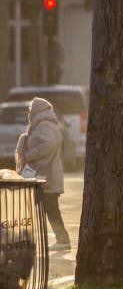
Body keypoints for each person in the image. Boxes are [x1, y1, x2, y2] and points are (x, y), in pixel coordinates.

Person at [15, 97, 70, 251]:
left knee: (50, 208)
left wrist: (30, 155)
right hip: (43, 176)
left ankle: (62, 239)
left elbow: (49, 144)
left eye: (31, 109)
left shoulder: (45, 125)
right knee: (40, 208)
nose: (29, 112)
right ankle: (27, 238)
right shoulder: (42, 125)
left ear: (37, 110)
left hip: (48, 177)